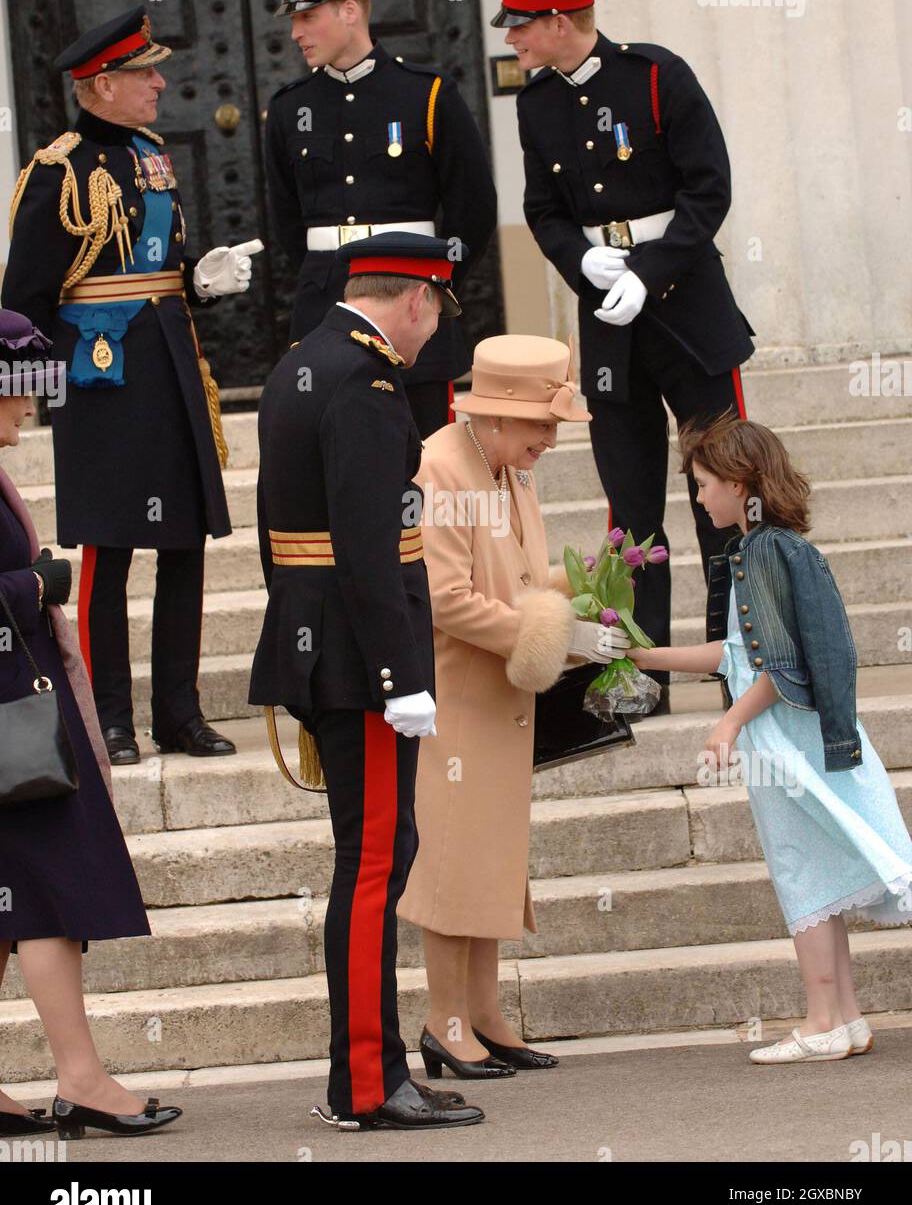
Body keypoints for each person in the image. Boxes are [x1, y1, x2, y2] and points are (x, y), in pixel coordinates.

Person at [249, 233, 483, 1131]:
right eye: (436, 315)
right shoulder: (367, 382)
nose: (432, 334)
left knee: (378, 859)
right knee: (376, 864)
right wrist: (399, 674)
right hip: (361, 659)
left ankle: (373, 1070)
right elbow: (368, 544)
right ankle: (366, 1082)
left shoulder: (304, 362)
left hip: (325, 648)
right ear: (417, 300)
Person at [491, 0, 756, 713]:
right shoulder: (535, 104)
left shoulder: (656, 76)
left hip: (688, 313)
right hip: (612, 321)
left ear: (559, 21)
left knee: (727, 496)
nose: (513, 39)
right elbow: (544, 210)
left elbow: (710, 189)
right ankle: (645, 673)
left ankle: (741, 658)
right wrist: (583, 260)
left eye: (519, 25)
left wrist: (654, 268)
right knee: (630, 509)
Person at [2, 6, 257, 765]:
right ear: (102, 83)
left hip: (170, 365)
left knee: (184, 545)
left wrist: (200, 288)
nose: (159, 82)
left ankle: (179, 712)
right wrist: (24, 410)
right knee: (110, 551)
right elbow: (24, 303)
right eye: (144, 72)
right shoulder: (59, 170)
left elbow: (158, 268)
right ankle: (110, 716)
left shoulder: (152, 155)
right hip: (99, 382)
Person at [628, 411, 912, 1062]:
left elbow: (775, 669)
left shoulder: (758, 553)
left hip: (782, 737)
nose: (698, 499)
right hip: (803, 733)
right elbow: (734, 654)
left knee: (804, 878)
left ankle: (820, 1021)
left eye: (703, 484)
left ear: (738, 481)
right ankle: (844, 1017)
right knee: (819, 879)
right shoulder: (777, 547)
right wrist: (648, 657)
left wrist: (728, 722)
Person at [397, 334, 630, 1077]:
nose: (550, 441)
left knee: (493, 857)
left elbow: (528, 575)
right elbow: (444, 598)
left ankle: (487, 1013)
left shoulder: (509, 466)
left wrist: (581, 615)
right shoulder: (441, 465)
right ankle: (443, 1020)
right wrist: (549, 633)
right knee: (451, 860)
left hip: (502, 694)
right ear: (494, 417)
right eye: (541, 425)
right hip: (457, 695)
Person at [0, 309, 181, 1139]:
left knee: (22, 904)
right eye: (18, 389)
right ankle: (82, 1077)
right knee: (49, 901)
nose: (29, 408)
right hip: (16, 728)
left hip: (19, 714)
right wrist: (36, 586)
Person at [263, 0, 497, 437]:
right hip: (325, 303)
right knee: (331, 446)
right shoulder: (290, 107)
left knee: (425, 455)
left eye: (307, 16)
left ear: (349, 10)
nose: (295, 33)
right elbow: (285, 219)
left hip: (412, 298)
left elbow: (472, 207)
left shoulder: (427, 93)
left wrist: (434, 286)